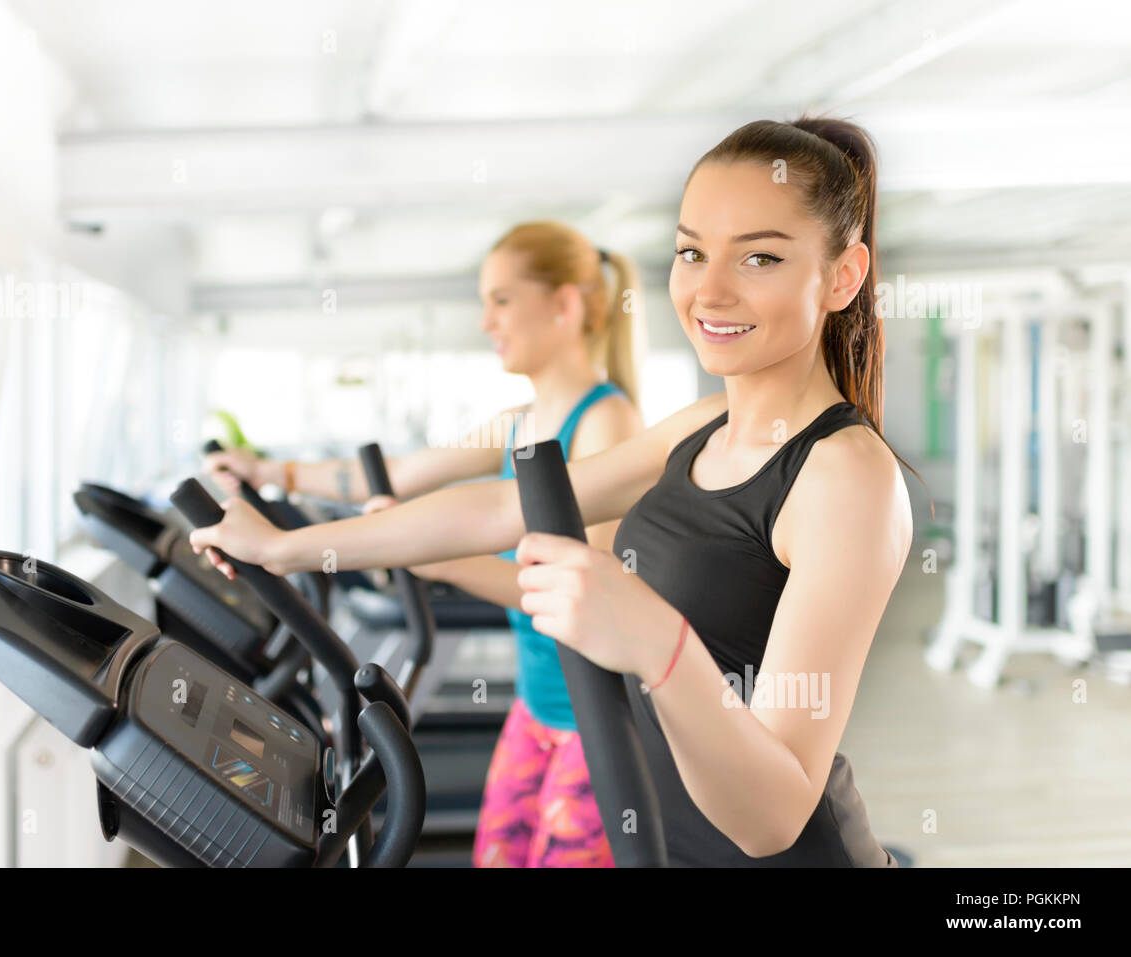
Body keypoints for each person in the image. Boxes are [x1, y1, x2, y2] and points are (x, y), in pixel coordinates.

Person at [193, 116, 923, 866]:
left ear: (843, 275)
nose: (710, 289)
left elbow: (772, 818)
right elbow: (504, 506)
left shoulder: (846, 477)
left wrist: (659, 646)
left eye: (760, 257)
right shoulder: (706, 425)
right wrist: (287, 547)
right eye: (691, 252)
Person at [203, 221, 646, 867]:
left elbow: (580, 591)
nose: (485, 320)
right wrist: (268, 472)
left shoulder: (605, 421)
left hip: (597, 721)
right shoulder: (520, 421)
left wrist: (429, 553)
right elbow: (394, 475)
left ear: (565, 303)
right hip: (536, 707)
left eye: (500, 298)